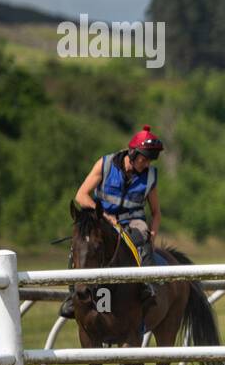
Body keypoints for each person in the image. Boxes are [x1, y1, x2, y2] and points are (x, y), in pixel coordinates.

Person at [59, 125, 165, 317]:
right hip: (102, 217)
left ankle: (148, 287)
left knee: (141, 235)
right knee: (80, 243)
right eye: (144, 159)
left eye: (150, 160)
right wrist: (106, 217)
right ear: (132, 153)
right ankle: (73, 297)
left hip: (133, 221)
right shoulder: (105, 164)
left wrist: (153, 233)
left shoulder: (150, 176)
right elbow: (81, 195)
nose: (147, 164)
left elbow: (156, 213)